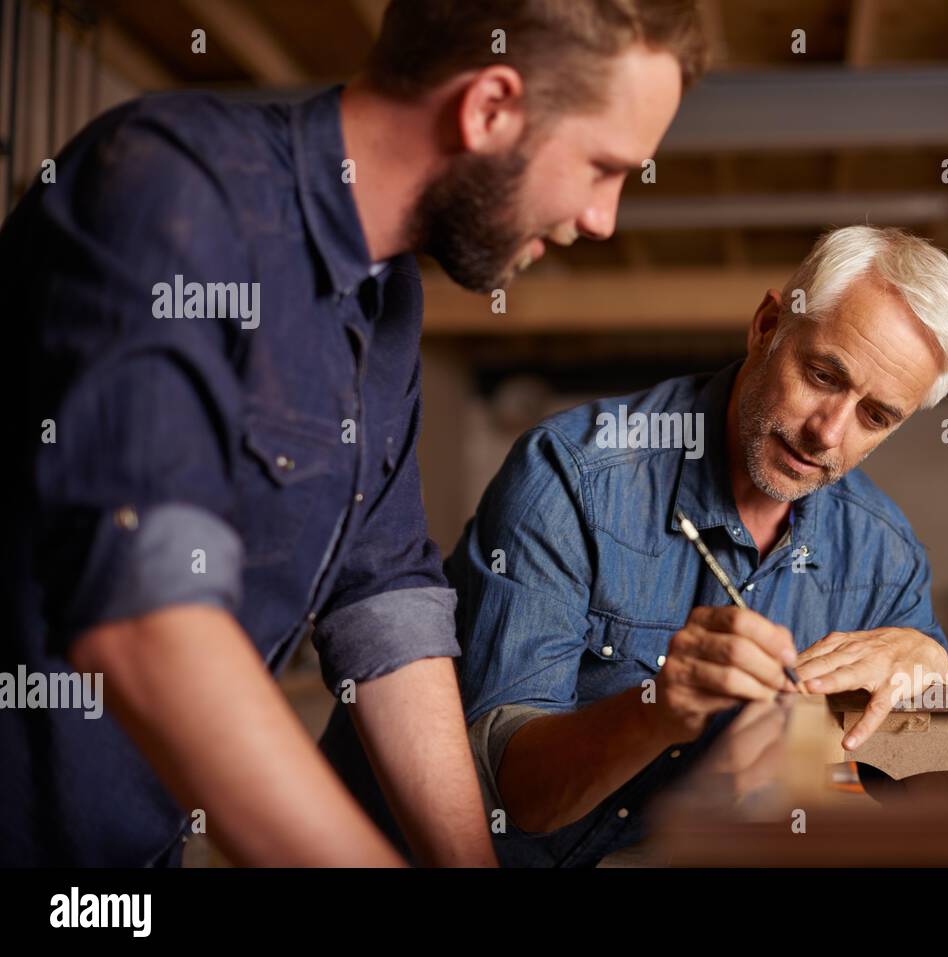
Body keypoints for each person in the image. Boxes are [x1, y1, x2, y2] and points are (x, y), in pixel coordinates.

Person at [0, 0, 706, 866]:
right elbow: (147, 620)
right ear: (488, 106)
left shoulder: (386, 298)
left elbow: (382, 599)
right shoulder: (169, 191)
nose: (604, 219)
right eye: (604, 166)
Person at [326, 224, 948, 865]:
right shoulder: (573, 476)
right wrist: (658, 709)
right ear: (767, 325)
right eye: (824, 375)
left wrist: (931, 671)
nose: (826, 434)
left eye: (875, 416)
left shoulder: (882, 551)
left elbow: (937, 798)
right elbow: (512, 793)